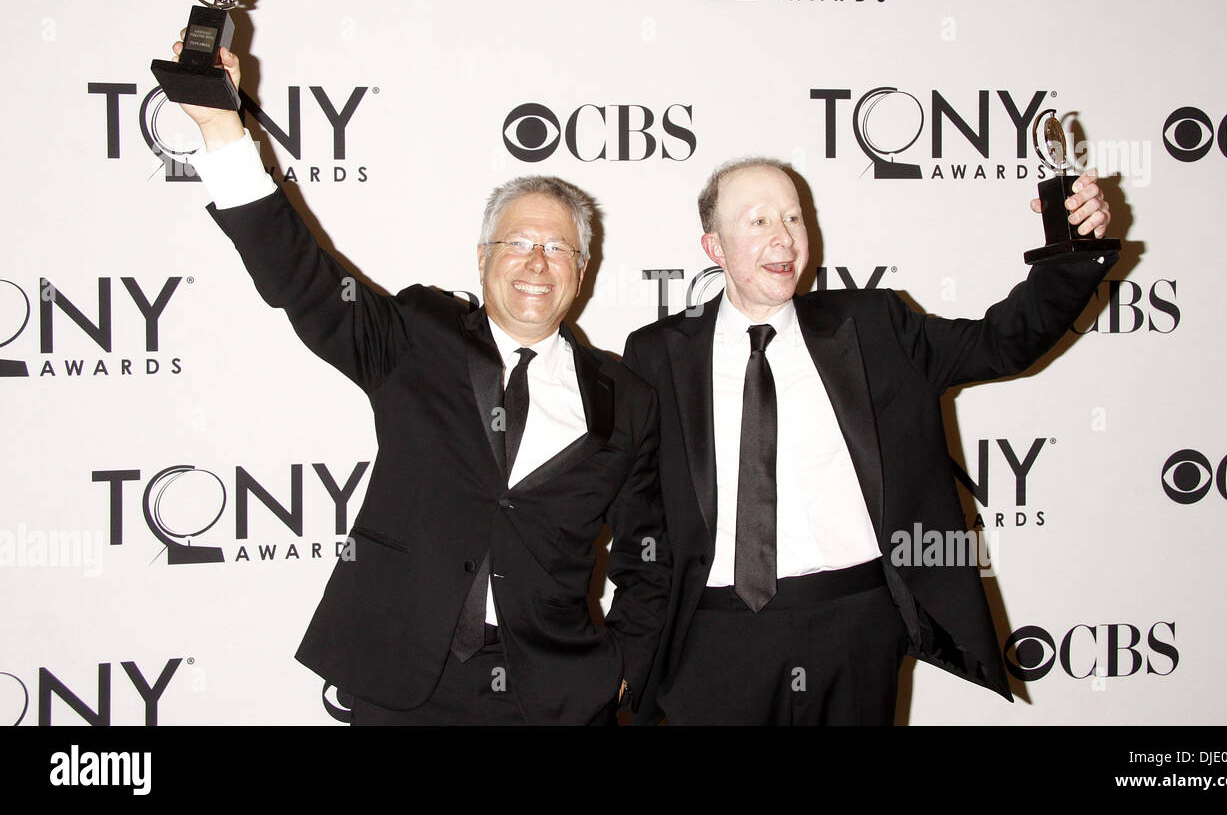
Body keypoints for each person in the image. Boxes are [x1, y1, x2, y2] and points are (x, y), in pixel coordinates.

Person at [173, 41, 670, 725]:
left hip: (553, 697)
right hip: (405, 681)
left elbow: (653, 559)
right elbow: (301, 278)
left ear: (581, 271)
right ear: (482, 258)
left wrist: (620, 672)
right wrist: (221, 130)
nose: (535, 263)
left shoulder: (629, 401)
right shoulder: (418, 337)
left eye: (557, 248)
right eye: (516, 243)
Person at [622, 157, 1116, 724]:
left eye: (793, 218)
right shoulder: (657, 354)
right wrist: (631, 649)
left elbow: (1002, 342)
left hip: (854, 628)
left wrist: (1073, 250)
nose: (784, 237)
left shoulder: (873, 324)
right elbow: (644, 521)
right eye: (758, 222)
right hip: (714, 639)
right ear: (714, 247)